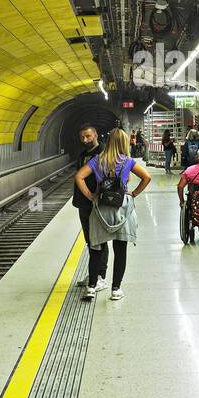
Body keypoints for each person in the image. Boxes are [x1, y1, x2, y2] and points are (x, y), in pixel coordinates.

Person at [76, 128, 151, 300]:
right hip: (121, 208)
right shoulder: (128, 161)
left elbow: (79, 176)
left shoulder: (97, 159)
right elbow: (147, 177)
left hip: (101, 207)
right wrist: (133, 194)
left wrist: (90, 195)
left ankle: (92, 287)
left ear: (108, 142)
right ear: (124, 143)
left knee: (96, 249)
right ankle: (116, 289)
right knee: (120, 250)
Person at [73, 124, 108, 290]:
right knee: (90, 240)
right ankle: (94, 273)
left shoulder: (103, 153)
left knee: (100, 240)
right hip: (84, 204)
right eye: (82, 137)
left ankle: (101, 276)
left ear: (96, 135)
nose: (85, 140)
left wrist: (93, 196)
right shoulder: (83, 155)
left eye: (88, 136)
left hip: (98, 203)